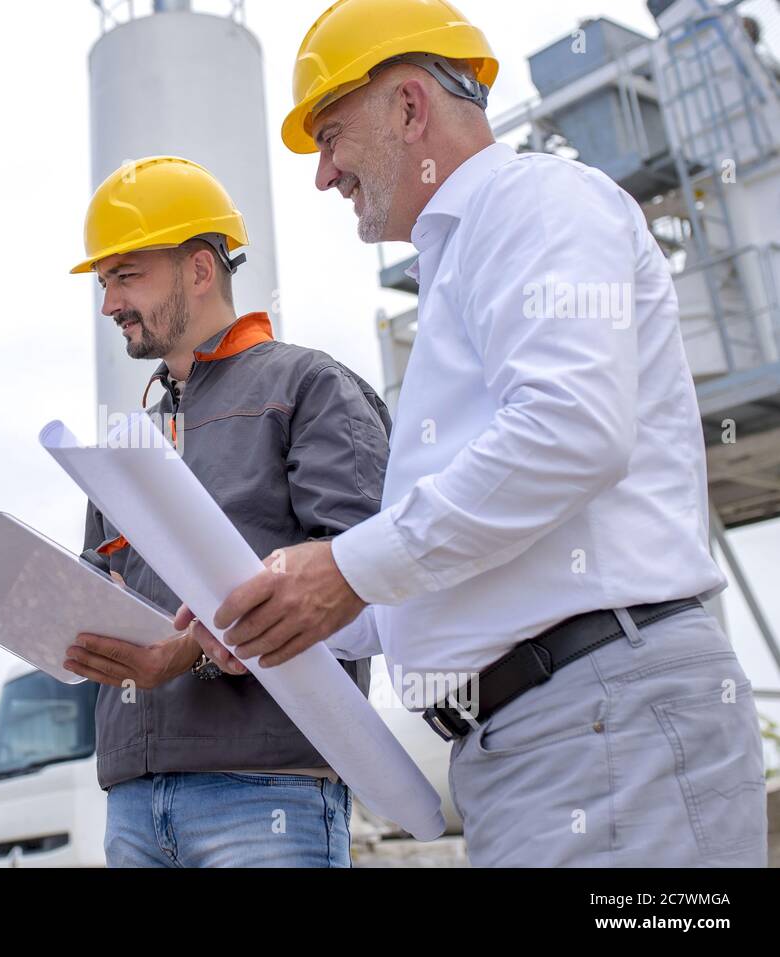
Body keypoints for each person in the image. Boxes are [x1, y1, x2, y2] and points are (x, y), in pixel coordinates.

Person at [185, 0, 768, 867]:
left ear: (411, 107)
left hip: (599, 715)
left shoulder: (533, 201)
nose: (322, 175)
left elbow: (572, 430)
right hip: (557, 734)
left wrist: (342, 570)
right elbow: (450, 568)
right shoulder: (473, 257)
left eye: (332, 135)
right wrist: (271, 620)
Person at [65, 155, 392, 867]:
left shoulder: (309, 387)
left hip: (265, 791)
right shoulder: (128, 440)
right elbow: (97, 589)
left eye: (126, 275)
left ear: (199, 270)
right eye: (103, 281)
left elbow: (372, 588)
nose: (109, 302)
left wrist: (191, 650)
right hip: (131, 802)